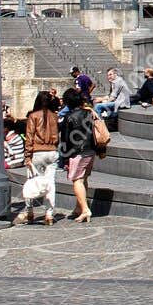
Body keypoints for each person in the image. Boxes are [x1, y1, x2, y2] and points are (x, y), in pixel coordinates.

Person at [56, 87, 99, 222]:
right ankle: (79, 207)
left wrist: (64, 158)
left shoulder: (69, 117)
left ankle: (85, 210)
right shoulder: (89, 113)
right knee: (84, 179)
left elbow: (66, 138)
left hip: (77, 152)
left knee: (77, 181)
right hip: (90, 150)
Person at [18, 91, 60, 226]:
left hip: (37, 151)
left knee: (32, 181)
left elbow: (29, 137)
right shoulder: (54, 116)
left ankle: (29, 211)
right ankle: (49, 214)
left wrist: (27, 156)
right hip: (52, 151)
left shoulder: (33, 116)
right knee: (50, 184)